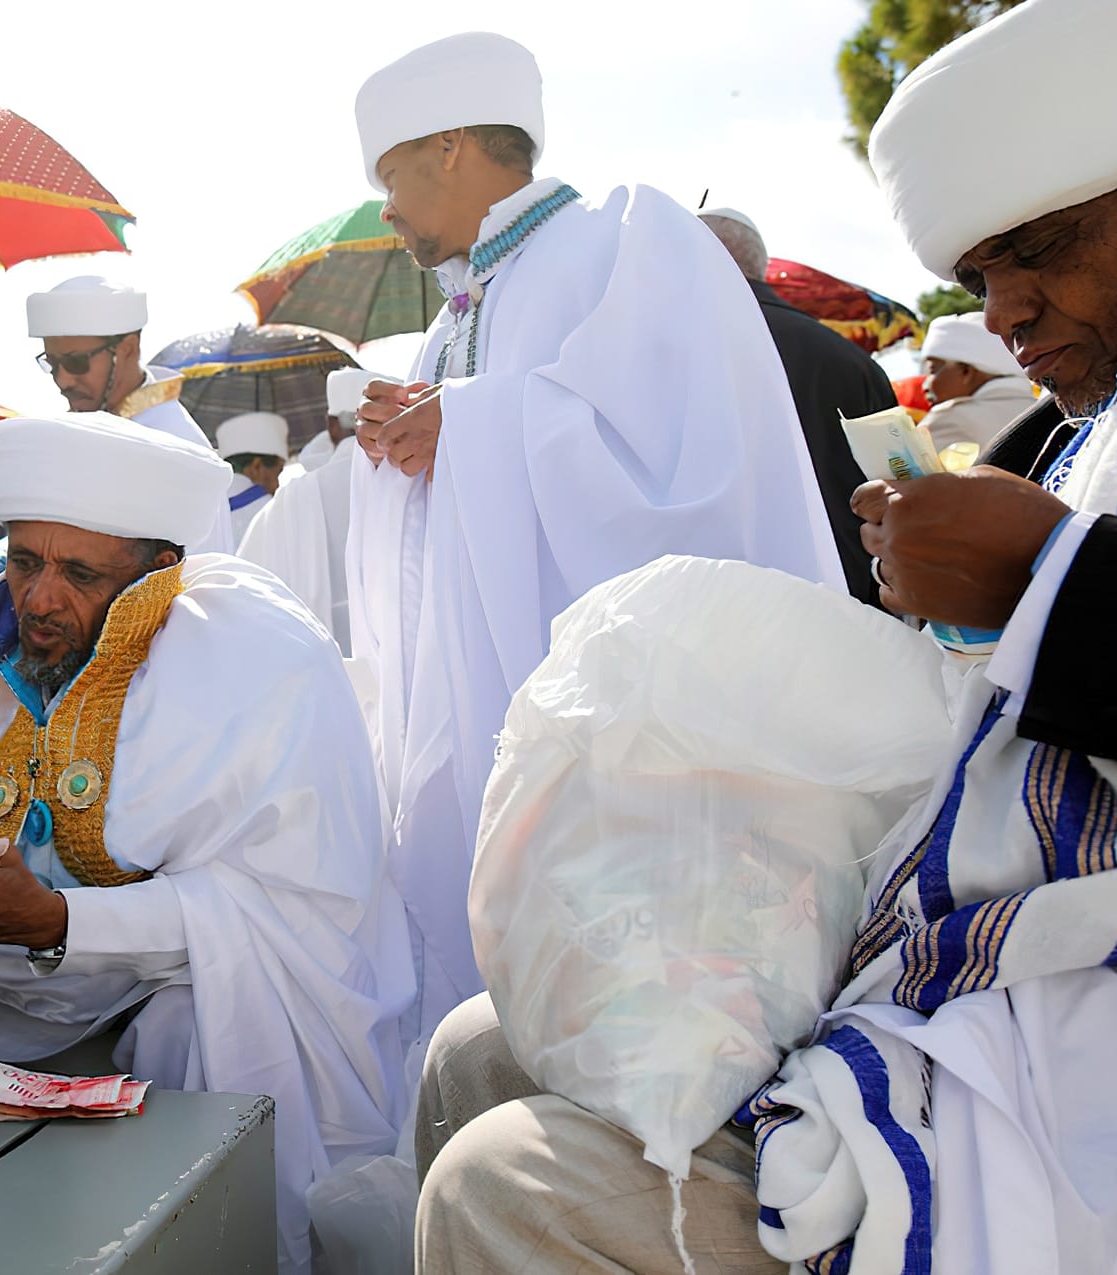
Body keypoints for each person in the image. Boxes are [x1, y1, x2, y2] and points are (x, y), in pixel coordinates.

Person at [416, 3, 1117, 1271]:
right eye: (981, 277)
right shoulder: (1103, 411)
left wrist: (1057, 578)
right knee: (479, 1042)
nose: (1005, 311)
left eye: (1040, 250)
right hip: (984, 959)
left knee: (506, 1186)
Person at [0, 413, 413, 1274]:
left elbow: (270, 913)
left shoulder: (259, 667)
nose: (36, 599)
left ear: (158, 574)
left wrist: (57, 922)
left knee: (208, 1014)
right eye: (26, 560)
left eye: (78, 572)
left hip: (152, 980)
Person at [349, 32, 842, 1037]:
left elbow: (689, 481)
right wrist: (416, 438)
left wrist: (475, 421)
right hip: (497, 703)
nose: (385, 206)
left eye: (388, 174)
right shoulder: (452, 317)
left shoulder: (623, 248)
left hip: (633, 748)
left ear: (449, 146)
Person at [700, 206, 899, 606]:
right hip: (853, 602)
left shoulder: (673, 347)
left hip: (723, 604)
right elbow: (896, 484)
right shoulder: (853, 360)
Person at [26, 275, 232, 552]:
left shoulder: (176, 447)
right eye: (52, 364)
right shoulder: (82, 432)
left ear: (127, 349)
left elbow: (192, 578)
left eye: (76, 362)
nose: (63, 381)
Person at [237, 369, 370, 653]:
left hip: (321, 677)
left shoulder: (287, 503)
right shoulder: (420, 483)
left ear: (331, 424)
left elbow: (245, 602)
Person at [917, 310, 1037, 452]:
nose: (925, 386)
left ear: (965, 371)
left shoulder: (950, 419)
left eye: (932, 370)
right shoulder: (1041, 408)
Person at [214, 410, 288, 543]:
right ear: (257, 467)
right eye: (278, 473)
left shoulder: (204, 508)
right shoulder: (274, 512)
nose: (277, 485)